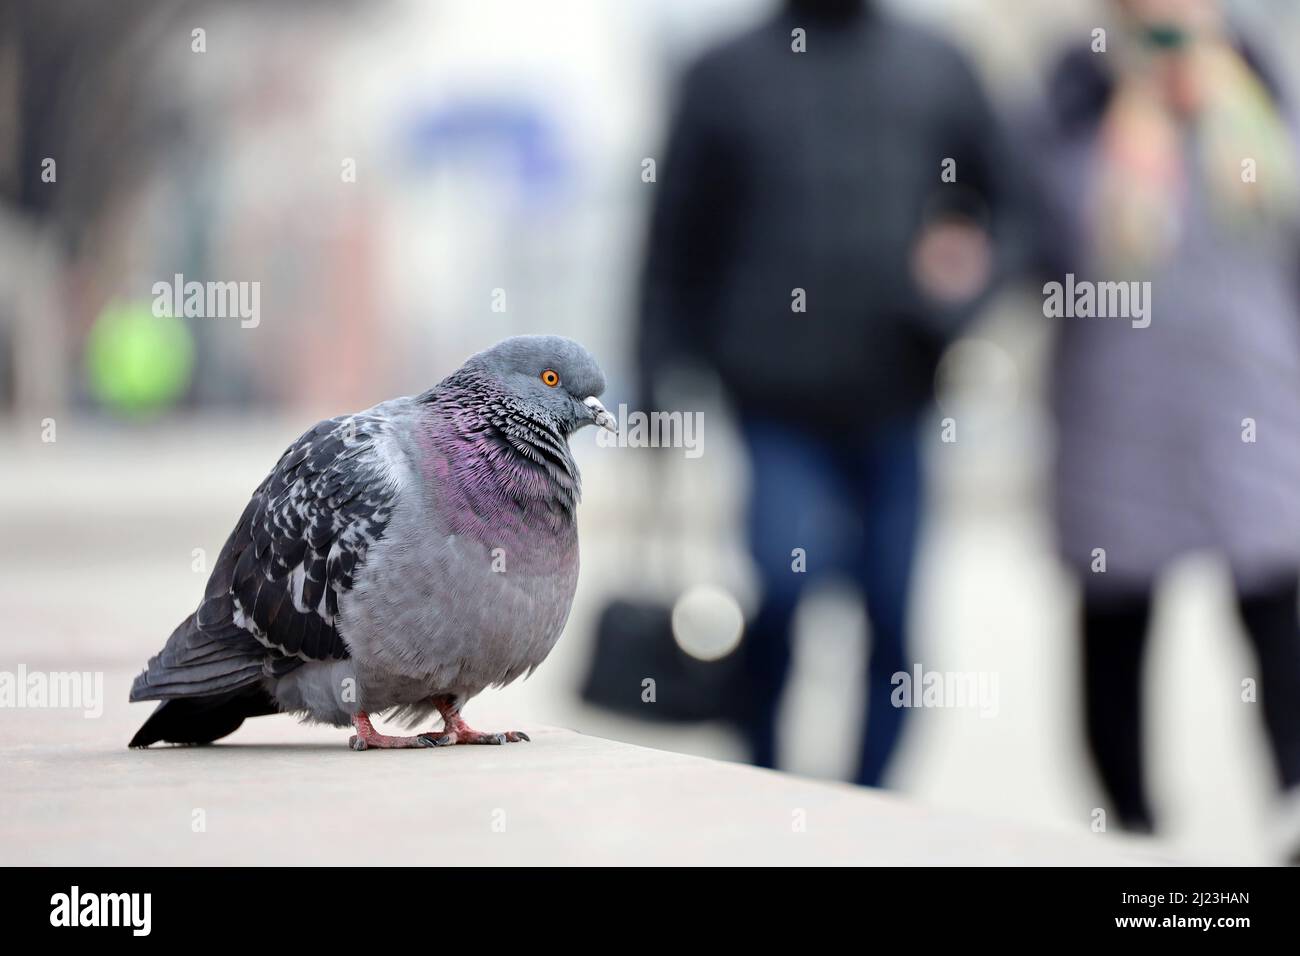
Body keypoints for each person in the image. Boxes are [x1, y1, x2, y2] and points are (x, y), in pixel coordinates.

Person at [636, 0, 1018, 785]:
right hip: (772, 399)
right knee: (779, 588)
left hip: (899, 394)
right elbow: (672, 239)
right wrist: (653, 383)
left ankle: (868, 807)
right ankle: (767, 787)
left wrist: (964, 286)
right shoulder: (723, 73)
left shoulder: (938, 63)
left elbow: (1016, 210)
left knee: (890, 609)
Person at [1028, 0, 1300, 852]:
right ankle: (1132, 831)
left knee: (1275, 603)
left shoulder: (1259, 90)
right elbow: (1051, 236)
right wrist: (1126, 112)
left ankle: (1294, 801)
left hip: (1251, 395)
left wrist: (1220, 95)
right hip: (1120, 406)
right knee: (1116, 616)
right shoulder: (1076, 93)